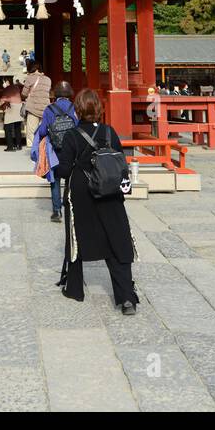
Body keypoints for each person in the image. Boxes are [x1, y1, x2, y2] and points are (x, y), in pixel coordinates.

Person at [53, 88, 138, 315]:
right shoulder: (110, 132)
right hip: (110, 190)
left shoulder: (71, 135)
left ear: (78, 110)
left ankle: (74, 288)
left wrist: (53, 156)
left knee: (77, 236)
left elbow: (63, 170)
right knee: (116, 237)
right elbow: (120, 160)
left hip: (81, 191)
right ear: (99, 109)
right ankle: (126, 297)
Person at [32, 81, 77, 223]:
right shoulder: (74, 108)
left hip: (55, 149)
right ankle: (69, 203)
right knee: (71, 177)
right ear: (70, 93)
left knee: (55, 180)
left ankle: (57, 211)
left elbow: (44, 130)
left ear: (55, 94)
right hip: (71, 149)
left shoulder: (49, 109)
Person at [20, 58, 51, 149]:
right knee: (44, 130)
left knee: (32, 131)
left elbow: (24, 94)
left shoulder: (30, 78)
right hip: (45, 108)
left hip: (33, 108)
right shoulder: (48, 79)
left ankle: (34, 150)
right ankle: (43, 149)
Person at [0, 76, 24, 151]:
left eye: (4, 81)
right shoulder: (16, 87)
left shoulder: (7, 88)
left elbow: (3, 99)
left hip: (11, 108)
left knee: (7, 128)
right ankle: (18, 145)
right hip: (19, 106)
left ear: (7, 81)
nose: (3, 83)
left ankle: (10, 146)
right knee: (17, 127)